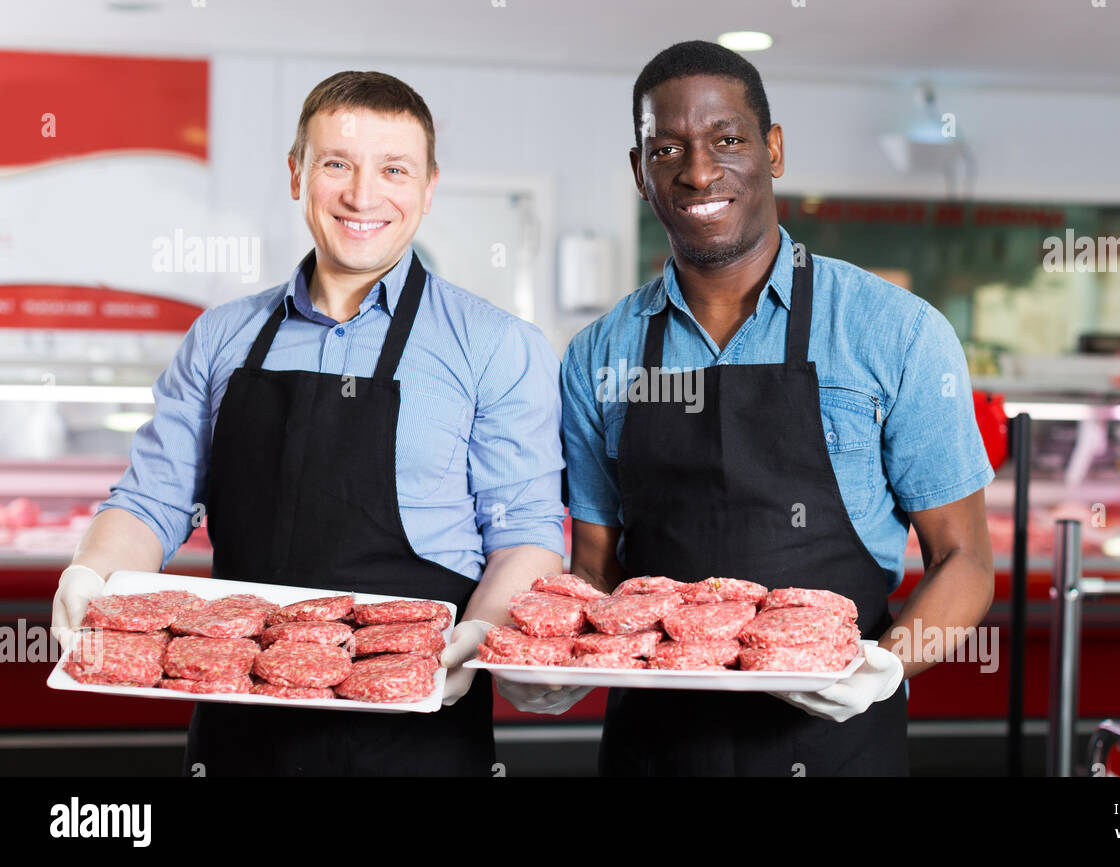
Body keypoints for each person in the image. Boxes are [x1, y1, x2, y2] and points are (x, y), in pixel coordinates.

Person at [49, 70, 566, 776]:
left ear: (428, 187)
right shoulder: (220, 337)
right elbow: (150, 502)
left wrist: (480, 630)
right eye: (336, 164)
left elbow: (526, 537)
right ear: (297, 175)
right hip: (239, 729)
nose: (363, 194)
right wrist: (91, 571)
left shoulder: (497, 344)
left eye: (394, 169)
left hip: (417, 737)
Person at [556, 41, 996, 776]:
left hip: (834, 742)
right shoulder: (598, 354)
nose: (699, 171)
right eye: (667, 149)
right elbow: (596, 565)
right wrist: (558, 652)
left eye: (727, 140)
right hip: (656, 747)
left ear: (774, 149)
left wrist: (886, 667)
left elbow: (966, 559)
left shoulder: (896, 331)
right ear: (641, 171)